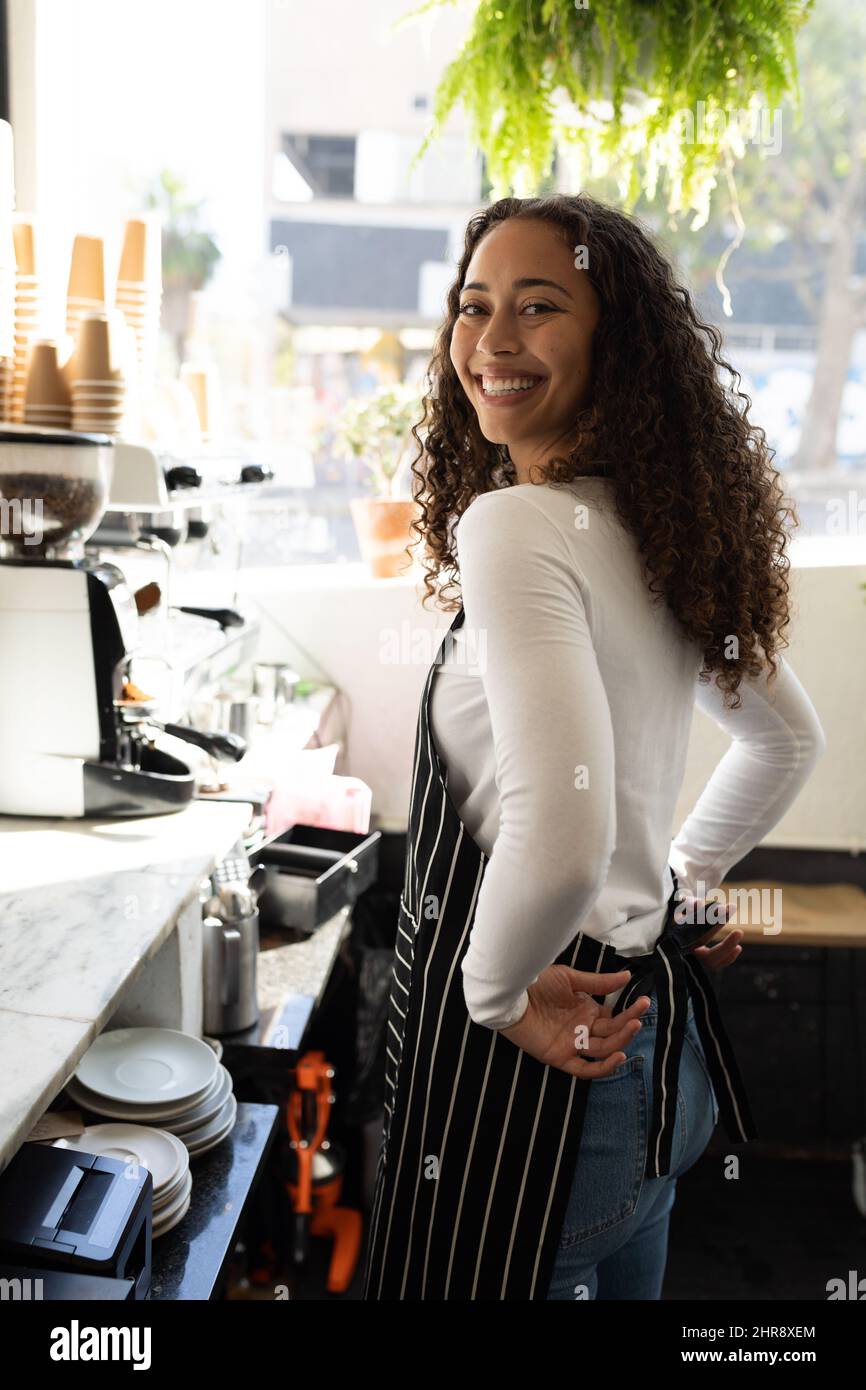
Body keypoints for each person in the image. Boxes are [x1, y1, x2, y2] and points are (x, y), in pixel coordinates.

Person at [362, 193, 826, 1302]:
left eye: (539, 306)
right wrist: (677, 884)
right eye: (474, 306)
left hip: (547, 1082)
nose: (491, 339)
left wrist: (495, 996)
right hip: (647, 1061)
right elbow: (784, 741)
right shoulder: (654, 528)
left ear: (615, 343)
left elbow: (562, 836)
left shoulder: (515, 526)